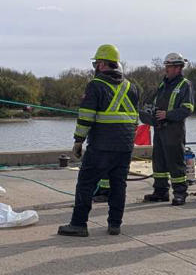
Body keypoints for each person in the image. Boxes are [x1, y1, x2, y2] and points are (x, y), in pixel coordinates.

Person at [58, 44, 140, 237]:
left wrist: (78, 140)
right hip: (125, 145)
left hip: (102, 145)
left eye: (96, 63)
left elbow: (86, 116)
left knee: (86, 183)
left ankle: (78, 224)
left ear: (102, 64)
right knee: (119, 184)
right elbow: (135, 119)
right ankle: (114, 225)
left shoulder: (95, 85)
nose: (95, 66)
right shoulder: (132, 87)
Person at [143, 52, 195, 206]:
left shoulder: (185, 85)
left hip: (174, 129)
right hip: (159, 128)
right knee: (159, 161)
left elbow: (188, 108)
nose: (166, 69)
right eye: (166, 66)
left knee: (175, 162)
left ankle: (180, 193)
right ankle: (160, 191)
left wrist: (168, 114)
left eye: (169, 66)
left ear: (178, 68)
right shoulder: (163, 84)